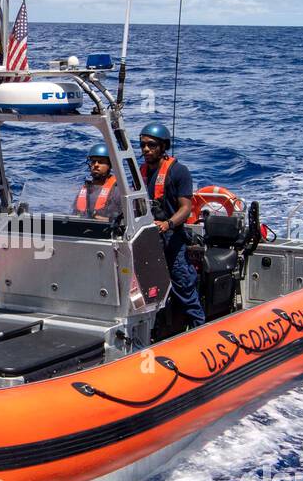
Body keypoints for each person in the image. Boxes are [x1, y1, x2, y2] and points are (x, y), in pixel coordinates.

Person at [138, 122, 205, 329]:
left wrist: (168, 224)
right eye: (143, 145)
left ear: (163, 146)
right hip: (148, 241)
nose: (146, 149)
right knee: (148, 292)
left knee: (184, 288)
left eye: (152, 145)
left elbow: (185, 208)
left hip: (172, 241)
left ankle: (199, 328)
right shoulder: (139, 172)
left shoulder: (179, 172)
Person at [70, 143, 123, 220]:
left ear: (110, 165)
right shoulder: (84, 191)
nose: (96, 165)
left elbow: (132, 219)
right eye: (93, 162)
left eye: (101, 162)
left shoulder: (118, 191)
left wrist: (110, 220)